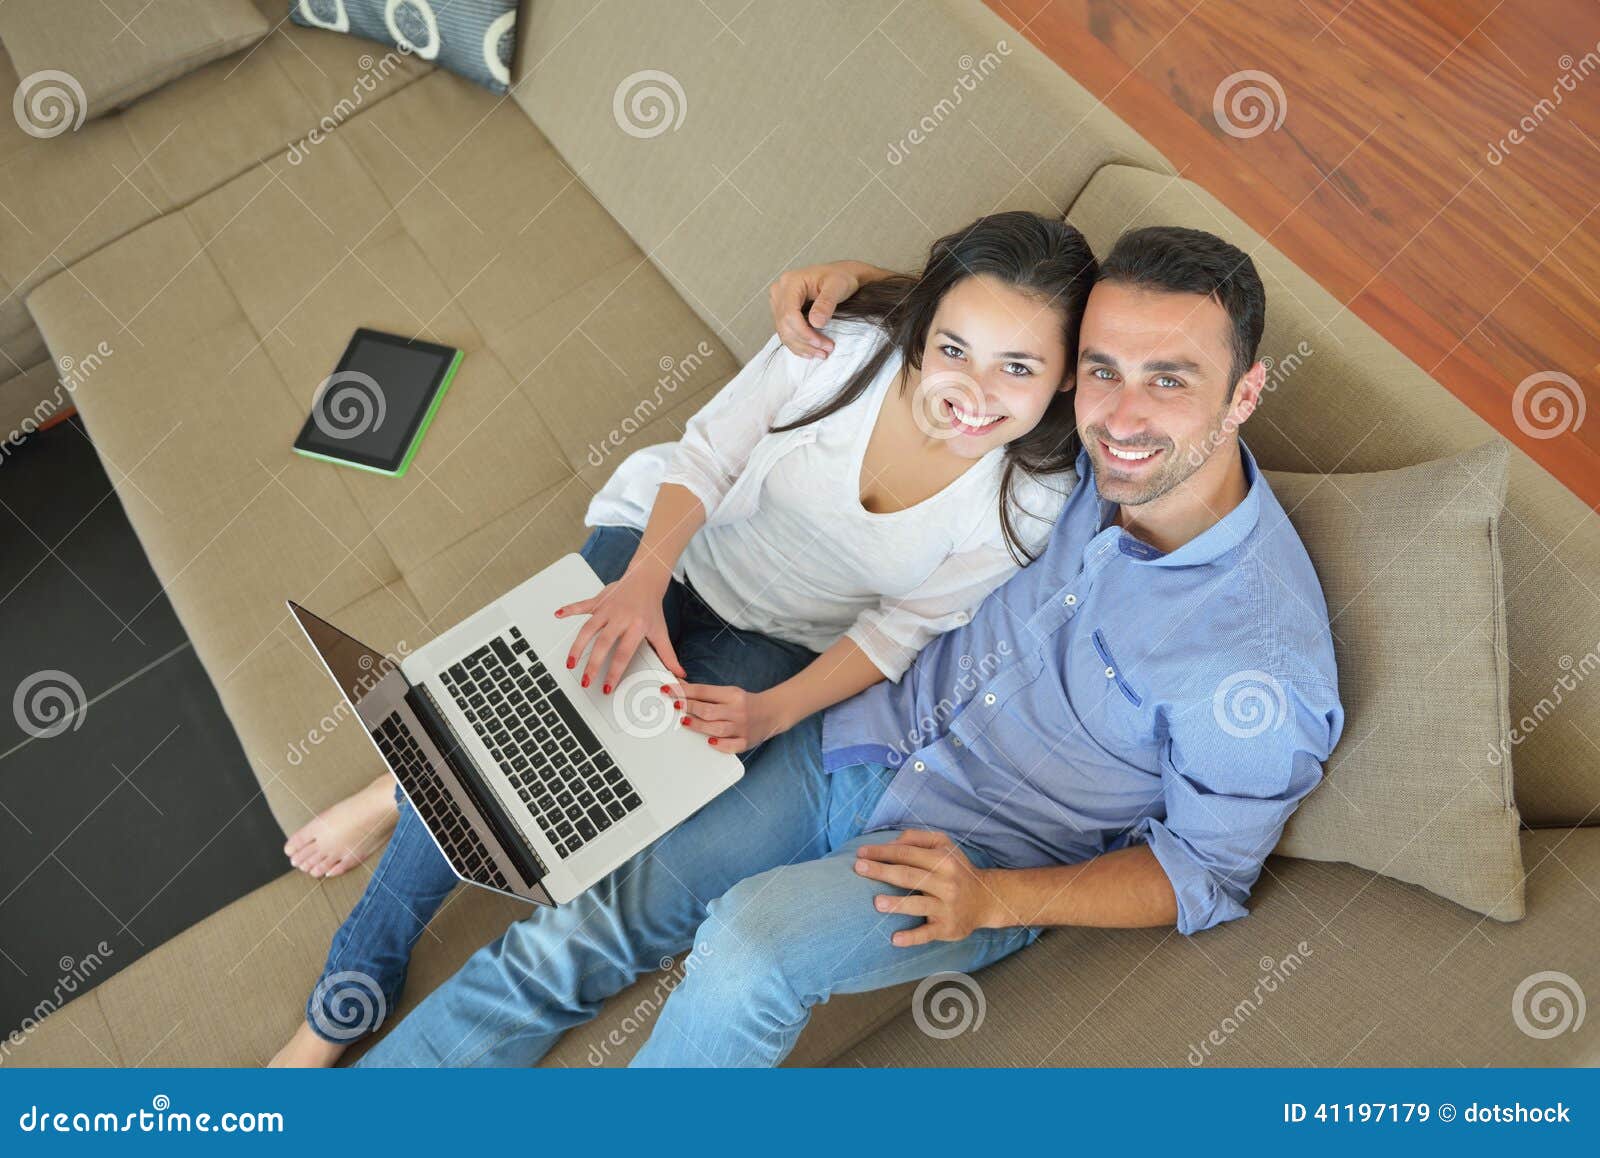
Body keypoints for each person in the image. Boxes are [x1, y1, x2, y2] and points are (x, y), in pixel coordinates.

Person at [350, 224, 1345, 1068]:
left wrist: (997, 897)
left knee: (745, 949)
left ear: (1245, 393)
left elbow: (1203, 875)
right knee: (583, 927)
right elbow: (986, 324)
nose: (1123, 416)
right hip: (853, 743)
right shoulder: (1072, 455)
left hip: (971, 853)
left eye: (1170, 381)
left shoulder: (1255, 664)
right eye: (1101, 372)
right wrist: (853, 282)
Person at [270, 210, 1099, 1065]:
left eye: (1020, 368)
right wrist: (638, 586)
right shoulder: (843, 350)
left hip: (777, 645)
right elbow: (703, 456)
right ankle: (343, 1002)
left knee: (559, 769)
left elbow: (902, 632)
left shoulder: (1028, 498)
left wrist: (775, 713)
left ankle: (399, 780)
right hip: (663, 549)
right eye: (955, 350)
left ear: (1067, 379)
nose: (974, 391)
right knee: (488, 759)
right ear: (924, 328)